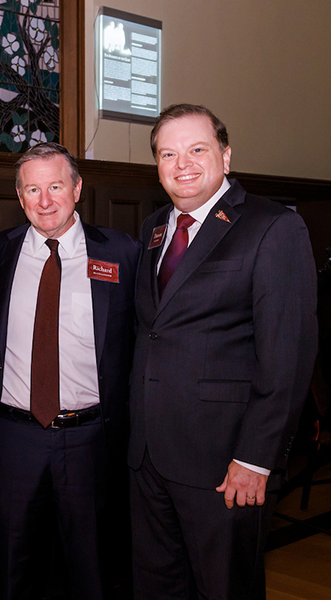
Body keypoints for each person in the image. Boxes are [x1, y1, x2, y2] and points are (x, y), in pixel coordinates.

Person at [129, 104, 318, 599]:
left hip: (223, 462)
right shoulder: (153, 229)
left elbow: (289, 354)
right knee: (158, 587)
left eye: (197, 149)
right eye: (168, 153)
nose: (182, 163)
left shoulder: (272, 227)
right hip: (148, 456)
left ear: (226, 156)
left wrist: (257, 459)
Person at [0, 142, 141, 600]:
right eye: (33, 189)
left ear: (77, 188)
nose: (45, 200)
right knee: (11, 567)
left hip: (91, 439)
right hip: (13, 440)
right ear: (19, 195)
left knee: (92, 569)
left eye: (55, 186)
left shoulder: (122, 253)